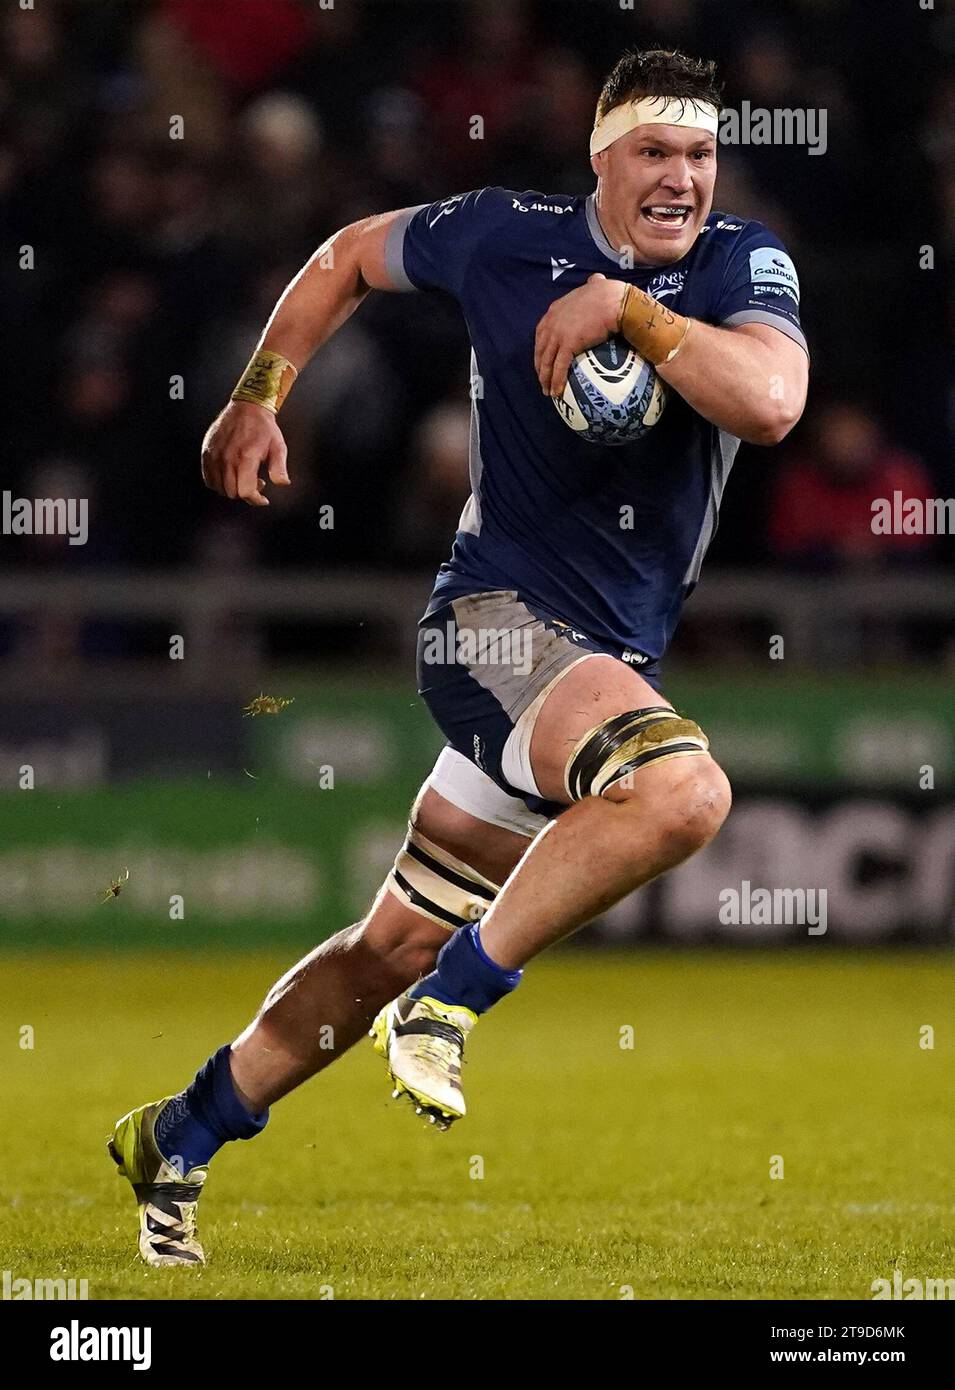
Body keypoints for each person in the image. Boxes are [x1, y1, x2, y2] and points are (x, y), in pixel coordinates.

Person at [109, 47, 808, 1266]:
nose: (681, 179)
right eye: (654, 152)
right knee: (683, 788)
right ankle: (459, 1001)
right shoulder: (500, 233)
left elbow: (771, 403)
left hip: (593, 663)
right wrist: (261, 391)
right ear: (601, 160)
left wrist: (633, 312)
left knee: (388, 945)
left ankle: (181, 1128)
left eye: (699, 154)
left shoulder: (736, 263)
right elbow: (343, 259)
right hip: (489, 625)